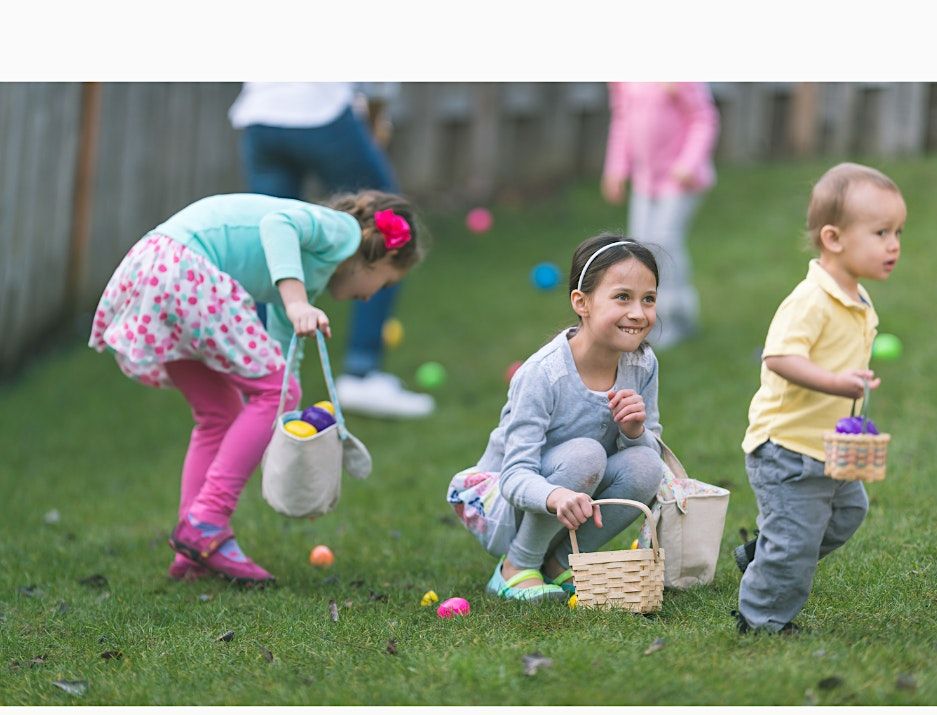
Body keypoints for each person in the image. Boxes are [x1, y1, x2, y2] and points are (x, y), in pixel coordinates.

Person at [89, 190, 425, 584]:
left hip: (159, 268)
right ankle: (208, 520)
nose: (370, 298)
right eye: (384, 284)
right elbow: (278, 224)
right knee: (271, 394)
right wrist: (297, 303)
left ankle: (192, 550)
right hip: (186, 270)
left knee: (221, 414)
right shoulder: (342, 231)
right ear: (380, 255)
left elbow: (283, 368)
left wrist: (287, 446)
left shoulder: (303, 276)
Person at [446, 234, 666, 602]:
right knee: (586, 454)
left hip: (574, 497)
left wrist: (633, 431)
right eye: (622, 297)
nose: (638, 313)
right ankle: (516, 566)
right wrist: (555, 495)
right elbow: (514, 476)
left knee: (646, 464)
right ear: (582, 302)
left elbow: (651, 453)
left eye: (649, 299)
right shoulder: (544, 374)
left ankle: (560, 564)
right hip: (504, 506)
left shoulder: (642, 364)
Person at [735, 162, 905, 634]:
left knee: (849, 513)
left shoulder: (857, 297)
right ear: (833, 238)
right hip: (787, 447)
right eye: (881, 232)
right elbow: (779, 357)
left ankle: (764, 552)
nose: (894, 244)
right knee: (795, 542)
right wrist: (836, 383)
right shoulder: (811, 299)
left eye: (898, 232)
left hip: (829, 446)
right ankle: (762, 621)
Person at [228, 81, 434, 419]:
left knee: (270, 245)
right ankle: (361, 372)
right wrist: (373, 123)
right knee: (389, 222)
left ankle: (258, 380)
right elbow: (379, 85)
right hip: (320, 109)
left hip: (260, 115)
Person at [601, 82, 719, 350]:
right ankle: (645, 316)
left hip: (680, 179)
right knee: (639, 249)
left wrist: (689, 163)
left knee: (665, 243)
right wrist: (616, 169)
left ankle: (677, 316)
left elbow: (704, 119)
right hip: (645, 179)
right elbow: (622, 121)